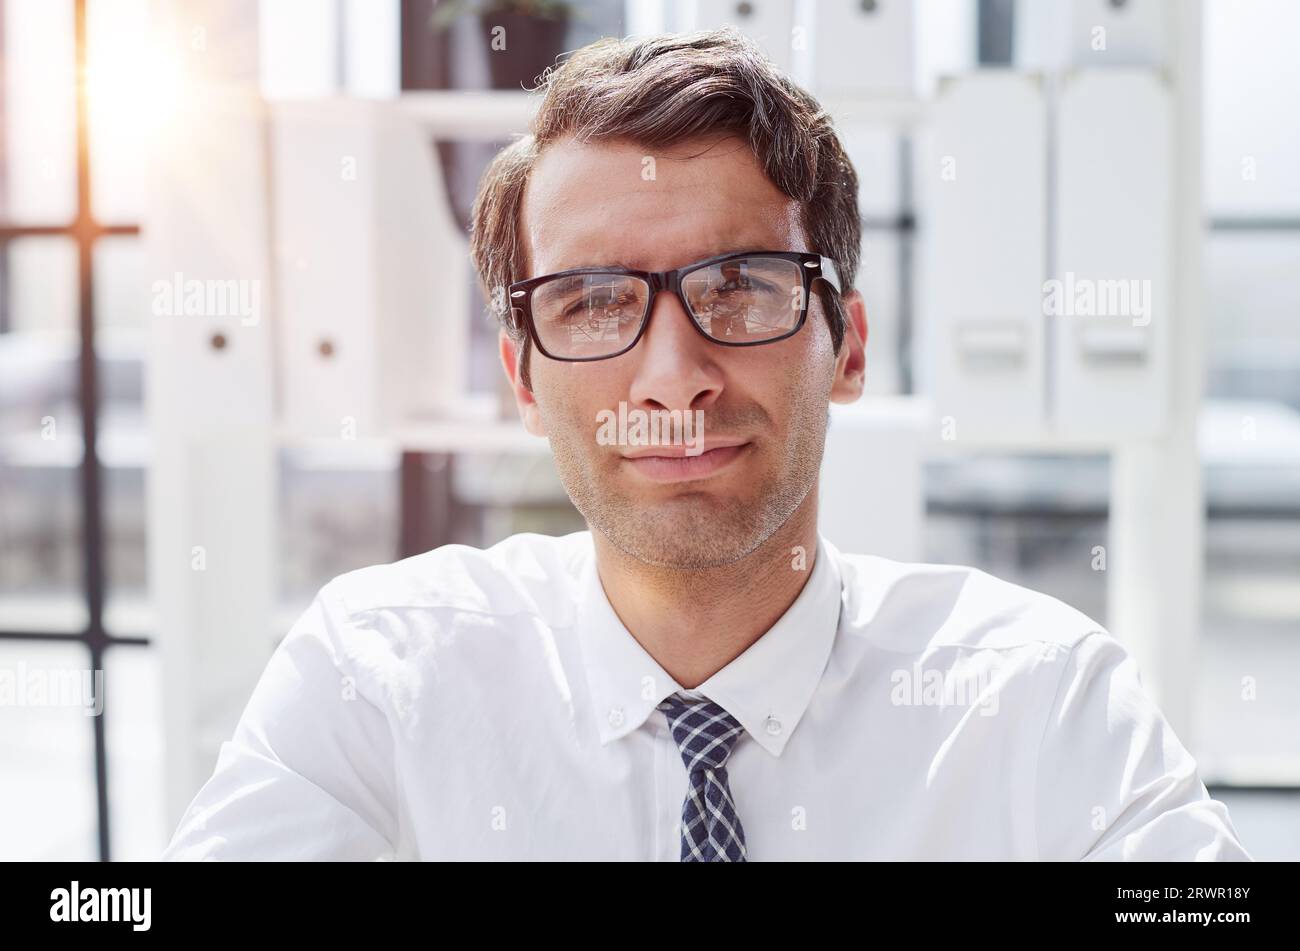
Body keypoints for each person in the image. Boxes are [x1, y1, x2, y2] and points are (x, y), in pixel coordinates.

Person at [163, 29, 1250, 861]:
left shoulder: (1042, 702)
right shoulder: (376, 676)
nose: (673, 375)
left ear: (848, 346)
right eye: (592, 301)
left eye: (738, 287)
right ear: (522, 379)